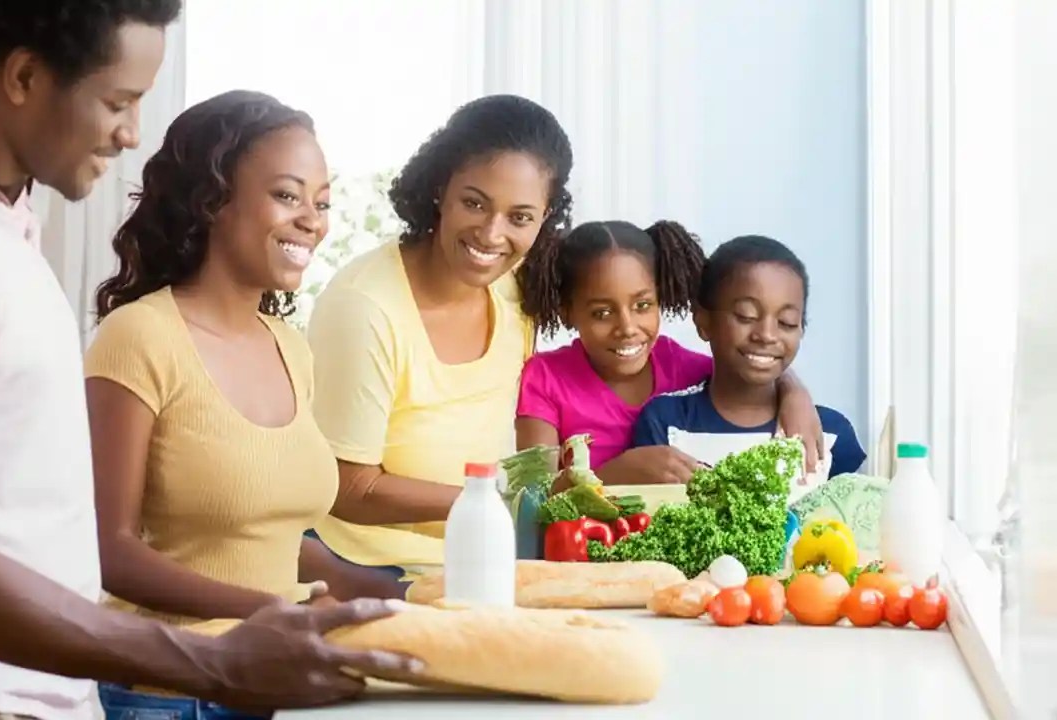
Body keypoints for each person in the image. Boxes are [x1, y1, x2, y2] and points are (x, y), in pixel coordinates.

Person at [0, 4, 415, 719]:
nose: (131, 133)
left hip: (27, 695)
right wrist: (215, 661)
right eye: (117, 102)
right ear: (24, 76)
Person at [84, 89, 409, 718]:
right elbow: (110, 550)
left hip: (277, 681)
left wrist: (395, 593)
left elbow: (267, 534)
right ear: (212, 200)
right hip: (170, 693)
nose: (313, 221)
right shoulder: (139, 336)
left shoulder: (291, 346)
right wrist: (274, 610)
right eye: (287, 195)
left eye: (322, 203)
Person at [303, 95, 575, 575]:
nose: (492, 234)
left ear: (545, 215)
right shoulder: (365, 307)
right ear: (440, 188)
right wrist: (493, 503)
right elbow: (346, 488)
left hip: (483, 560)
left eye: (519, 217)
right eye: (474, 203)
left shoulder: (517, 291)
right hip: (365, 567)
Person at [514, 220, 824, 485]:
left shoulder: (681, 367)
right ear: (567, 312)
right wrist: (614, 474)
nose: (627, 327)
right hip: (579, 538)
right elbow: (532, 501)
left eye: (642, 305)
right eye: (602, 313)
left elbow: (749, 367)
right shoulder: (546, 379)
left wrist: (795, 394)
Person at [631, 235, 866, 478]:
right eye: (746, 316)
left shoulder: (830, 432)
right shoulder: (666, 421)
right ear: (703, 321)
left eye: (786, 322)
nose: (766, 335)